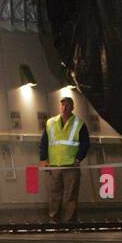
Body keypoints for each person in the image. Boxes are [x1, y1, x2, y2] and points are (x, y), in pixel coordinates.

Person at [40, 96, 89, 224]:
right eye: (62, 105)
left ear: (72, 107)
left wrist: (78, 159)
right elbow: (44, 142)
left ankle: (69, 221)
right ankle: (54, 220)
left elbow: (85, 144)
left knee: (70, 195)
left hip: (71, 165)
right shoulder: (50, 122)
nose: (64, 107)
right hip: (54, 165)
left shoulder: (79, 124)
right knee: (54, 194)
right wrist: (43, 159)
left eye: (67, 105)